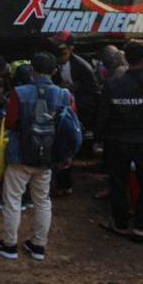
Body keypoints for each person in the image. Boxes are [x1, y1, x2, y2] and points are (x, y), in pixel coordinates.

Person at [0, 52, 75, 261]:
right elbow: (68, 127)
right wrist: (66, 154)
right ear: (54, 71)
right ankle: (38, 246)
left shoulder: (19, 92)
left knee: (13, 201)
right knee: (43, 201)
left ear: (32, 70)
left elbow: (11, 123)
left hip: (19, 156)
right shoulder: (64, 95)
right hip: (47, 158)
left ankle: (9, 245)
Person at [94, 40, 143, 244]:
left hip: (117, 141)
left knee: (118, 183)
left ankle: (120, 224)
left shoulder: (113, 83)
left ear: (127, 59)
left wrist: (98, 140)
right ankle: (140, 228)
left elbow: (103, 115)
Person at [47, 30, 99, 197]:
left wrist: (80, 120)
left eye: (60, 49)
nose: (56, 52)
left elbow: (92, 95)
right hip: (57, 112)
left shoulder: (82, 68)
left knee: (66, 149)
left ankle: (65, 186)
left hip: (75, 115)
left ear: (69, 48)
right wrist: (61, 88)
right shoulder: (52, 63)